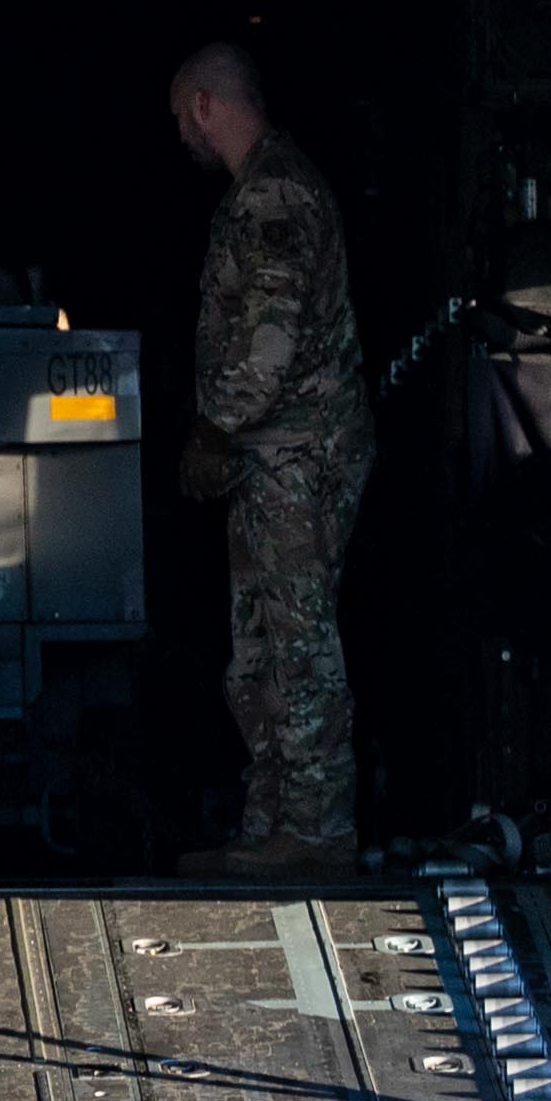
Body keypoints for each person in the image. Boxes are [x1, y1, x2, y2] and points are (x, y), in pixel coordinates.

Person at [170, 45, 370, 875]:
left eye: (181, 114)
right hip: (270, 457)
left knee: (297, 641)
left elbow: (271, 337)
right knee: (259, 647)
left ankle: (318, 827)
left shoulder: (274, 194)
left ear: (209, 104)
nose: (180, 131)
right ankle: (274, 827)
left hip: (295, 454)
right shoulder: (257, 192)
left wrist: (214, 426)